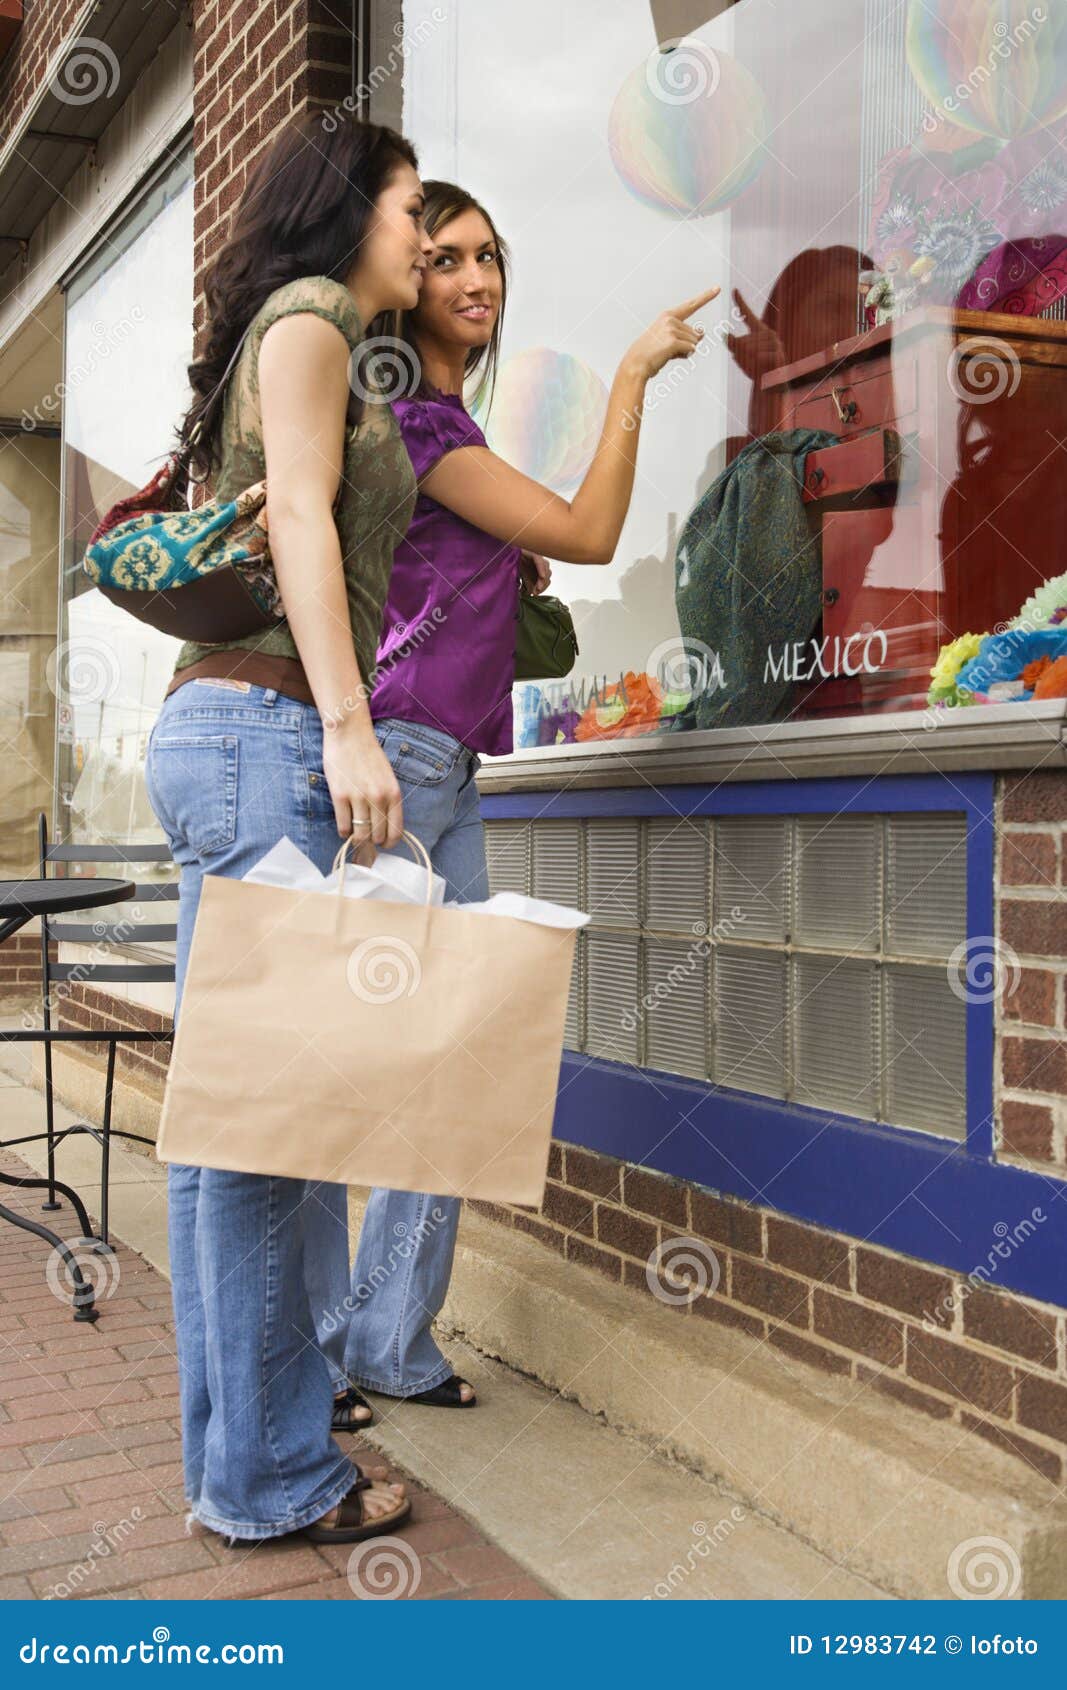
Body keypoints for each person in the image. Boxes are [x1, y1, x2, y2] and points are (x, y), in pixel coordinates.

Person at [308, 177, 719, 1418]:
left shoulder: (430, 429)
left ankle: (378, 1336)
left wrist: (491, 552)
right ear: (402, 282)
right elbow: (596, 533)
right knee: (361, 1066)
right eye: (443, 258)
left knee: (445, 1061)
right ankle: (325, 1349)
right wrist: (636, 374)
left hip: (443, 766)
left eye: (489, 254)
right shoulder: (423, 430)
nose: (475, 277)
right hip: (404, 761)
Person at [143, 111, 435, 1544]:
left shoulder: (278, 326)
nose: (425, 238)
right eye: (411, 210)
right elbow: (306, 520)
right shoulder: (314, 313)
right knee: (262, 1138)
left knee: (220, 1137)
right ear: (347, 213)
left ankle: (238, 1461)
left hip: (216, 732)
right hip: (266, 736)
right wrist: (346, 721)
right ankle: (268, 1475)